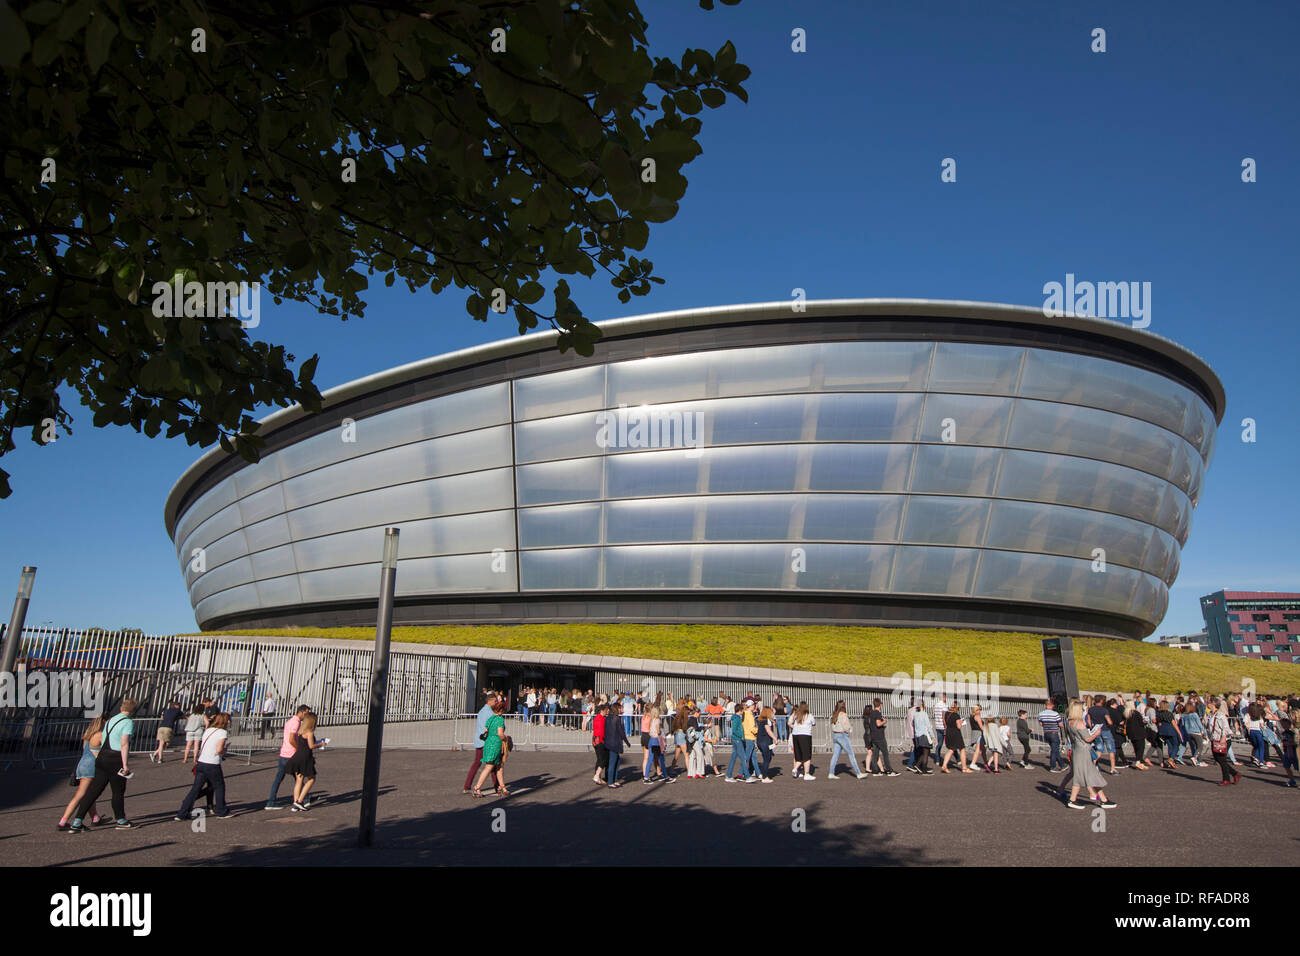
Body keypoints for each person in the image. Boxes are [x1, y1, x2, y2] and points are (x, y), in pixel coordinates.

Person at [69, 699, 138, 832]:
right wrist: (125, 765)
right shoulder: (128, 722)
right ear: (133, 711)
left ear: (121, 708)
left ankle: (77, 822)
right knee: (118, 791)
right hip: (115, 758)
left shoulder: (111, 720)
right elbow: (124, 743)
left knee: (94, 791)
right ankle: (121, 820)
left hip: (102, 758)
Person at [1061, 701, 1117, 810]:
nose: (1083, 710)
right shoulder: (1080, 723)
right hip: (1083, 751)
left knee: (1086, 775)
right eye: (1081, 709)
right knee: (1087, 775)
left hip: (1076, 750)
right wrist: (1096, 733)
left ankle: (1103, 799)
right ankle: (1073, 799)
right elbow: (1087, 739)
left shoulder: (1069, 722)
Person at [176, 712, 231, 820]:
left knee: (195, 788)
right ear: (224, 721)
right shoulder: (222, 732)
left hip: (201, 762)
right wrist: (225, 750)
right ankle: (221, 811)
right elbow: (219, 750)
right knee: (219, 786)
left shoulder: (208, 730)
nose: (229, 722)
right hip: (212, 763)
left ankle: (182, 812)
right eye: (228, 720)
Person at [59, 717, 104, 830]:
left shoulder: (87, 736)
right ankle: (63, 822)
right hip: (91, 766)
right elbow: (105, 749)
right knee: (81, 795)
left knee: (87, 794)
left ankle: (95, 817)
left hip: (81, 764)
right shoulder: (99, 735)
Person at [266, 704, 310, 809]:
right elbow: (291, 739)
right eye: (306, 714)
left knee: (280, 778)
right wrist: (299, 749)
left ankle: (271, 801)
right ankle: (304, 798)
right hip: (291, 754)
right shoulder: (296, 722)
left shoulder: (290, 721)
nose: (307, 716)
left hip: (284, 753)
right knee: (299, 777)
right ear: (302, 712)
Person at [287, 711, 326, 810]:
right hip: (305, 757)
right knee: (311, 779)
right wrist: (321, 744)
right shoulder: (309, 732)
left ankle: (296, 802)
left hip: (297, 756)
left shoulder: (301, 731)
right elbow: (311, 746)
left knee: (299, 780)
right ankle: (300, 800)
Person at [472, 698, 509, 797]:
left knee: (499, 766)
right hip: (496, 743)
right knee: (489, 766)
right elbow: (500, 734)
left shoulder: (490, 719)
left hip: (488, 742)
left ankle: (502, 787)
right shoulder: (500, 719)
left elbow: (485, 731)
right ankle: (477, 787)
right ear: (501, 710)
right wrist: (506, 738)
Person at [464, 691, 499, 794]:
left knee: (477, 763)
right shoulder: (489, 712)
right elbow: (490, 728)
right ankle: (497, 786)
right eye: (495, 701)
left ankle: (467, 786)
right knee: (491, 764)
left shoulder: (482, 711)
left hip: (479, 740)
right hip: (487, 742)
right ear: (491, 701)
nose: (496, 703)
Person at [828, 700, 868, 779]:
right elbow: (846, 727)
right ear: (844, 706)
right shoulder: (843, 715)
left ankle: (831, 773)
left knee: (835, 755)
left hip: (836, 735)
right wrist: (850, 727)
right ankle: (858, 773)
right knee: (851, 754)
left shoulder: (834, 714)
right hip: (842, 735)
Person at [1205, 696, 1239, 786]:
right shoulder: (1210, 715)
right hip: (1214, 739)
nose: (1207, 704)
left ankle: (1226, 779)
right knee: (1218, 759)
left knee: (1222, 759)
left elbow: (1225, 727)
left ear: (1213, 704)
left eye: (1209, 703)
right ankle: (1235, 773)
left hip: (1223, 739)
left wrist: (1223, 737)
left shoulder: (1220, 715)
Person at [865, 699, 897, 776]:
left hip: (873, 736)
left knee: (875, 754)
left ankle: (875, 770)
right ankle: (889, 770)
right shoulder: (878, 713)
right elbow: (878, 724)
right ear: (880, 705)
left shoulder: (871, 713)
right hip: (879, 736)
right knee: (885, 753)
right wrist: (884, 722)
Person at [940, 703, 973, 774]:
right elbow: (959, 726)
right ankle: (964, 768)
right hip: (955, 733)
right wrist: (961, 722)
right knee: (962, 749)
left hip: (948, 732)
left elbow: (944, 723)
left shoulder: (946, 714)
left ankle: (944, 765)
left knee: (951, 749)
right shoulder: (956, 715)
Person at [1038, 699, 1066, 772]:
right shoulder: (1055, 714)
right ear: (1052, 705)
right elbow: (1060, 724)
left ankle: (1062, 764)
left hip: (1046, 733)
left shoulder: (1041, 714)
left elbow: (1041, 724)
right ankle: (1053, 766)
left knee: (1054, 750)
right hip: (1054, 733)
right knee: (1054, 750)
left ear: (1045, 705)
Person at [789, 701, 816, 780]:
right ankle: (806, 774)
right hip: (805, 735)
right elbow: (814, 723)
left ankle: (795, 768)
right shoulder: (809, 716)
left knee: (799, 755)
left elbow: (789, 722)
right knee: (807, 756)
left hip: (795, 735)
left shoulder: (796, 714)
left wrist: (794, 726)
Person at [605, 701, 628, 788]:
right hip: (614, 743)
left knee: (617, 761)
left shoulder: (609, 717)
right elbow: (621, 732)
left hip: (609, 742)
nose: (621, 709)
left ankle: (614, 780)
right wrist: (627, 741)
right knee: (613, 762)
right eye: (620, 708)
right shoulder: (616, 718)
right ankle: (611, 782)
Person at [911, 701, 935, 774]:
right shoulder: (924, 714)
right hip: (924, 735)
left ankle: (918, 766)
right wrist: (933, 736)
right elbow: (928, 726)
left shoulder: (915, 714)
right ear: (922, 706)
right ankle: (923, 768)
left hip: (918, 736)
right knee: (926, 753)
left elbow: (913, 725)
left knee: (922, 753)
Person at [1123, 704, 1150, 770]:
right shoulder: (1136, 713)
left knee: (1135, 747)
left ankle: (1139, 761)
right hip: (1139, 732)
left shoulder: (1126, 713)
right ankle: (1138, 761)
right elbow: (1141, 722)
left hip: (1131, 733)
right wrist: (1145, 722)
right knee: (1141, 748)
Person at [755, 705, 777, 782]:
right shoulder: (766, 721)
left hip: (760, 741)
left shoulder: (760, 721)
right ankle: (764, 776)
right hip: (765, 742)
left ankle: (762, 773)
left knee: (766, 758)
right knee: (767, 759)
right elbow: (768, 731)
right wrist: (775, 738)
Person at [592, 703, 609, 785]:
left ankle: (597, 776)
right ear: (602, 710)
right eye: (606, 710)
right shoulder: (602, 719)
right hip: (600, 740)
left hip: (595, 739)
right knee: (603, 759)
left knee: (599, 759)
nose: (607, 711)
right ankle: (597, 775)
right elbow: (602, 731)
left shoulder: (596, 718)